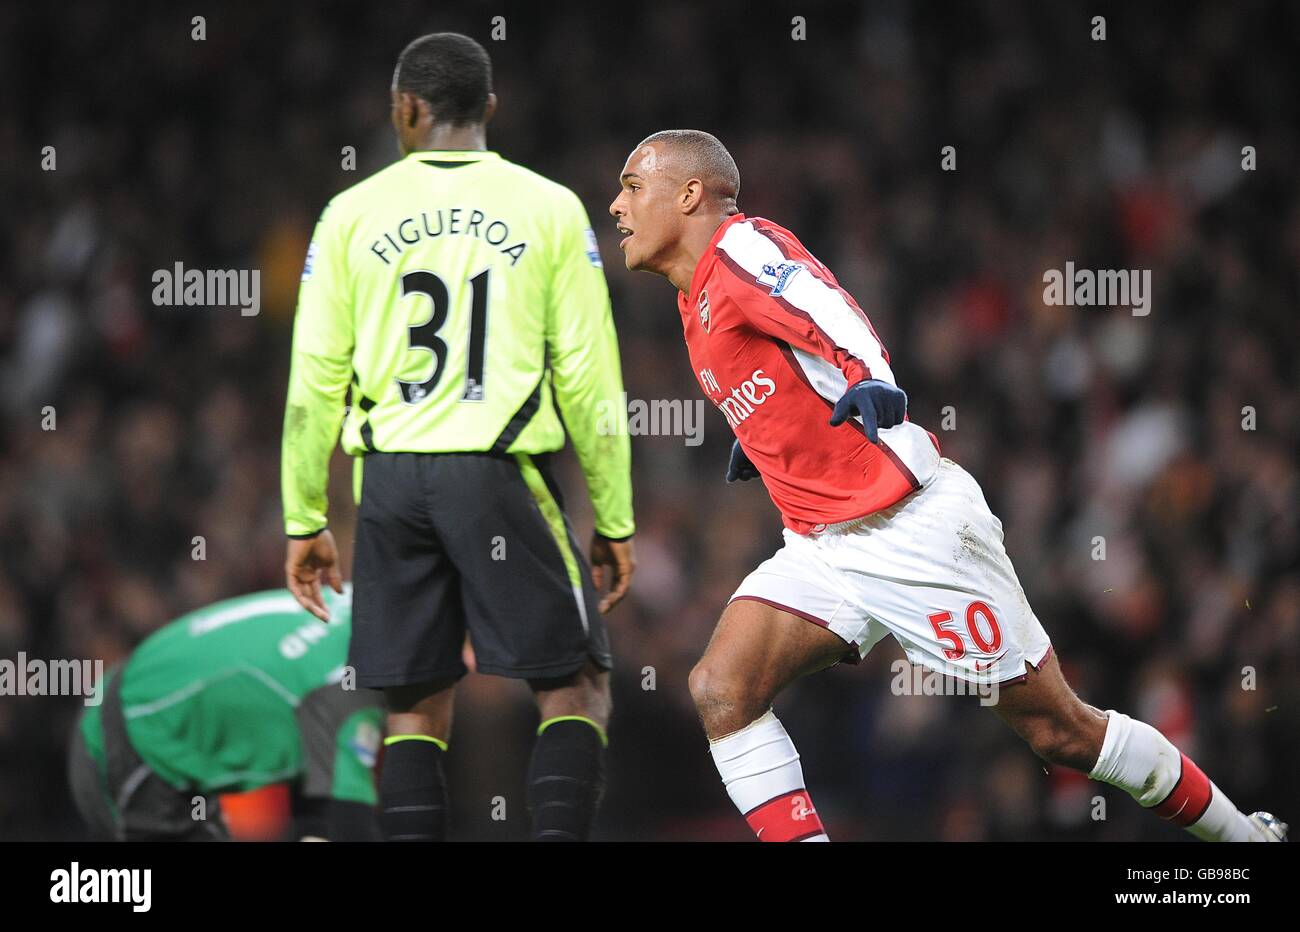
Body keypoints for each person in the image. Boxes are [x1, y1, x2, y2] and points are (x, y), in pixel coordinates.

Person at [607, 128, 1287, 843]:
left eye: (631, 185)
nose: (617, 206)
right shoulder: (694, 299)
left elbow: (824, 305)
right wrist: (765, 440)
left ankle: (1245, 839)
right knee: (723, 688)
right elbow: (786, 366)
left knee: (1061, 732)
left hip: (913, 530)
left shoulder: (738, 250)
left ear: (689, 194)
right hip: (823, 546)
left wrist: (872, 377)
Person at [281, 33, 635, 842]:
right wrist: (613, 518)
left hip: (391, 486)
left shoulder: (348, 214)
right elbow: (589, 378)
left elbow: (312, 388)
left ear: (405, 109)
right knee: (575, 687)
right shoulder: (548, 208)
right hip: (496, 470)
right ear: (490, 111)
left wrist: (305, 518)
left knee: (413, 707)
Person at [68, 587, 381, 841]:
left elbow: (321, 811)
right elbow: (350, 823)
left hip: (134, 708)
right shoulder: (351, 683)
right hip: (129, 742)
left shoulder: (356, 602)